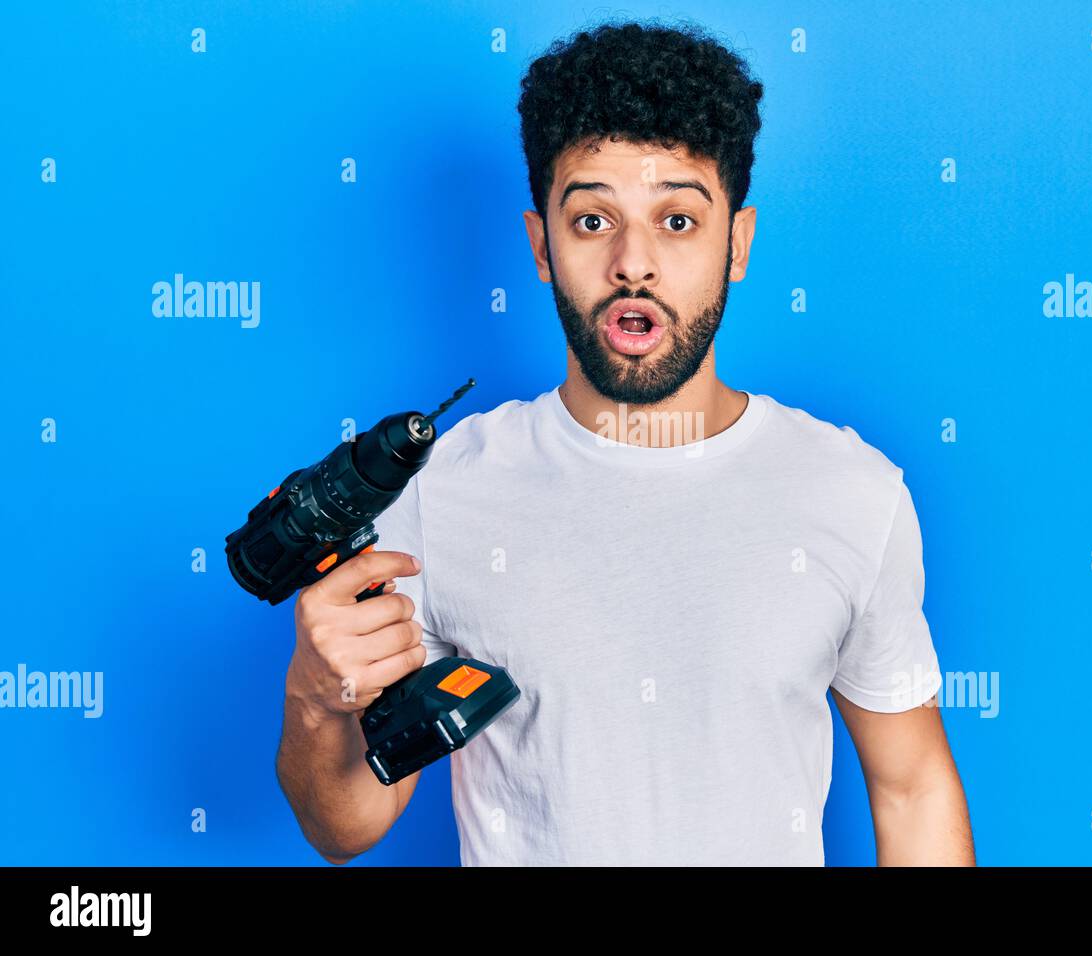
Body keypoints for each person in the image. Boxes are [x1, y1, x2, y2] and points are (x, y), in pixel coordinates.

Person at [276, 18, 975, 866]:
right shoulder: (440, 492)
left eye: (678, 220)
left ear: (738, 244)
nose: (633, 263)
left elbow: (911, 789)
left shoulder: (853, 493)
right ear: (542, 246)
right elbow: (344, 825)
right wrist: (315, 700)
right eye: (593, 220)